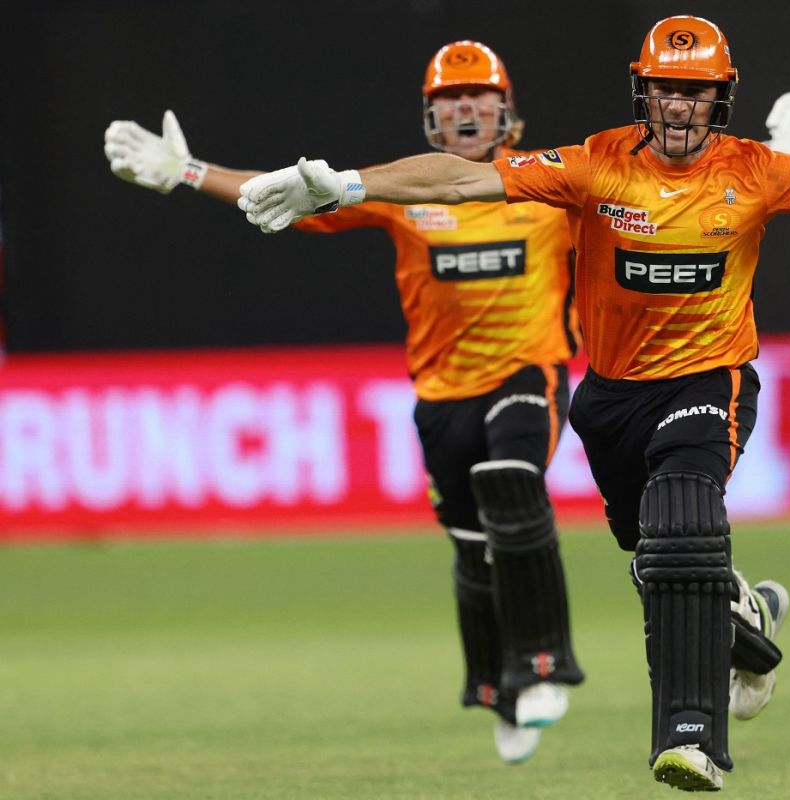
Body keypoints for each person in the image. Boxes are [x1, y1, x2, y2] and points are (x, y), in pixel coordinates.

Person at [240, 15, 790, 790]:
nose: (680, 105)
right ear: (646, 92)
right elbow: (459, 180)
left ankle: (690, 737)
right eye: (667, 89)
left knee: (678, 525)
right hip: (611, 401)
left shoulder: (756, 170)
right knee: (657, 558)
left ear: (719, 98)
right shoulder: (595, 164)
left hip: (713, 379)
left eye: (696, 91)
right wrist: (347, 183)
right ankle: (749, 618)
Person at [104, 40, 590, 766]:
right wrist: (187, 171)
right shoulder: (407, 188)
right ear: (432, 117)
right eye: (448, 99)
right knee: (472, 552)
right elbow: (282, 197)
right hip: (440, 398)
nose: (464, 108)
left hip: (530, 374)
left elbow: (659, 196)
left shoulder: (553, 186)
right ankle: (502, 689)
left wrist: (758, 166)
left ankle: (547, 662)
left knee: (513, 482)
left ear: (506, 110)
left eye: (477, 95)